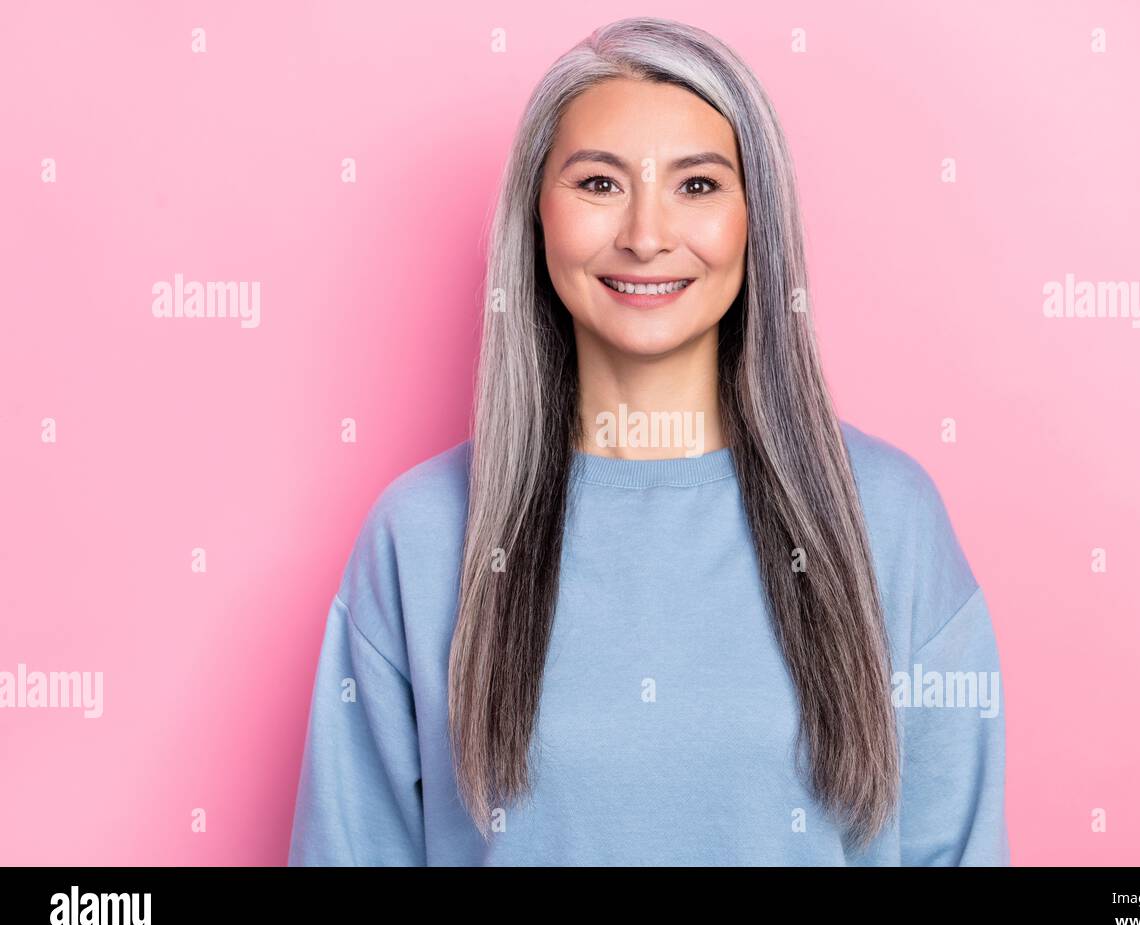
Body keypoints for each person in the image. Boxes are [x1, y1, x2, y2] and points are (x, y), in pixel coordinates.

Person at [288, 15, 1009, 866]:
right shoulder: (420, 535)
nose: (645, 234)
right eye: (599, 184)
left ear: (755, 220)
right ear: (538, 218)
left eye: (697, 186)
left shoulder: (888, 518)